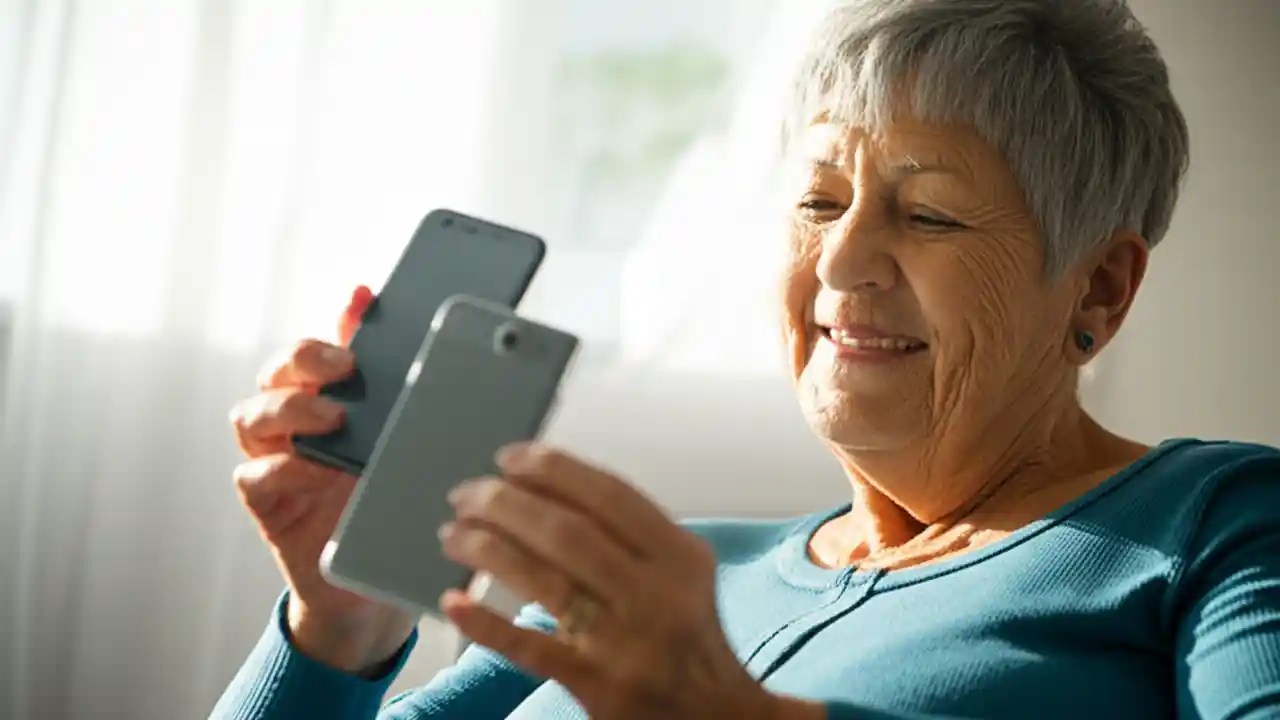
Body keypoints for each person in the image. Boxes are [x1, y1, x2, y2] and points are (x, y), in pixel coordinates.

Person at [213, 1, 1280, 718]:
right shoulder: (660, 572)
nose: (842, 263)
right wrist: (336, 623)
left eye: (931, 215)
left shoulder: (1215, 524)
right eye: (818, 201)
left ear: (1096, 287)